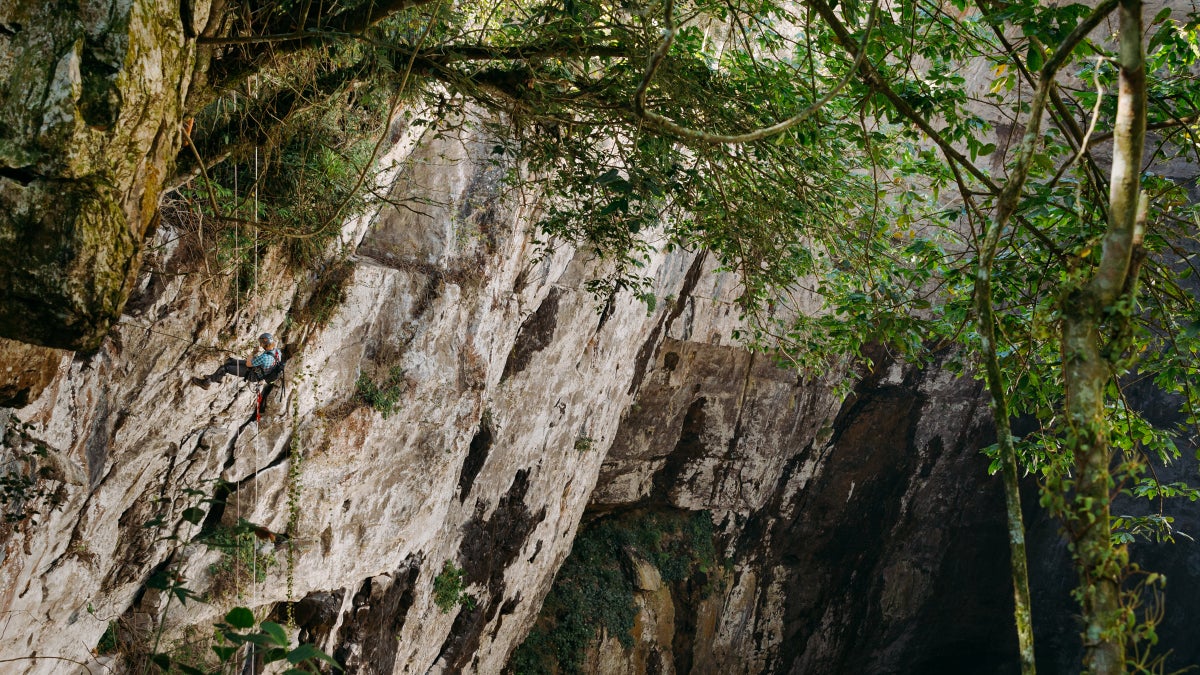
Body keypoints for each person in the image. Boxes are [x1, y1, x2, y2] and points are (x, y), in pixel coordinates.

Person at [192, 333, 281, 389]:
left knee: (225, 368)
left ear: (264, 344)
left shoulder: (265, 357)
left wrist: (254, 352)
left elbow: (248, 363)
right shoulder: (277, 352)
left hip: (253, 374)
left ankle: (207, 383)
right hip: (258, 370)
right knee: (230, 361)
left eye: (261, 343)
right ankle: (217, 377)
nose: (260, 345)